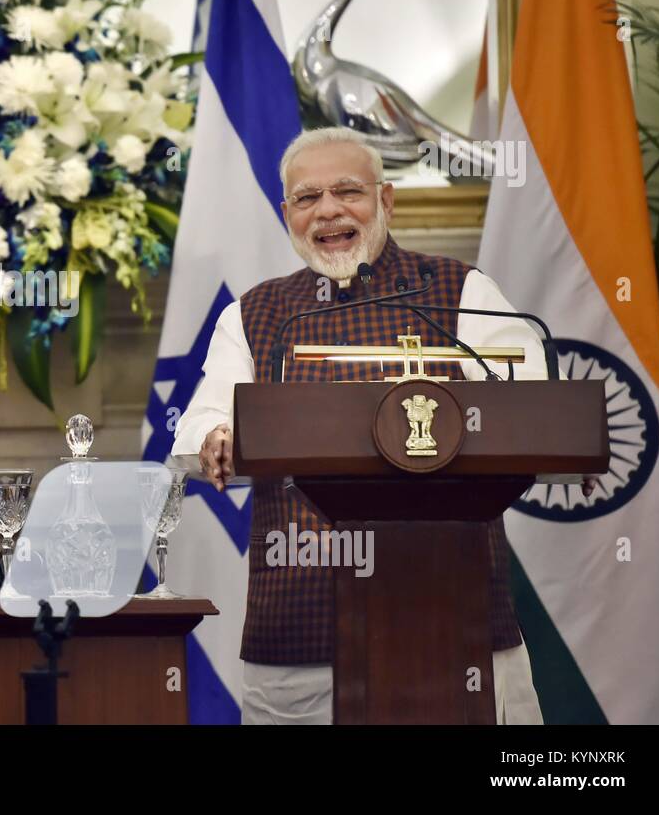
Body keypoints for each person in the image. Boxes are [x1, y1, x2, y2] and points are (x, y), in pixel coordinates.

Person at [172, 126, 546, 725]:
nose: (328, 210)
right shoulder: (254, 313)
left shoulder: (460, 291)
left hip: (456, 623)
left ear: (386, 201)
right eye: (307, 197)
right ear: (286, 213)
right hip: (300, 630)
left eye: (348, 191)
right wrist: (218, 438)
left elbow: (532, 408)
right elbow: (198, 429)